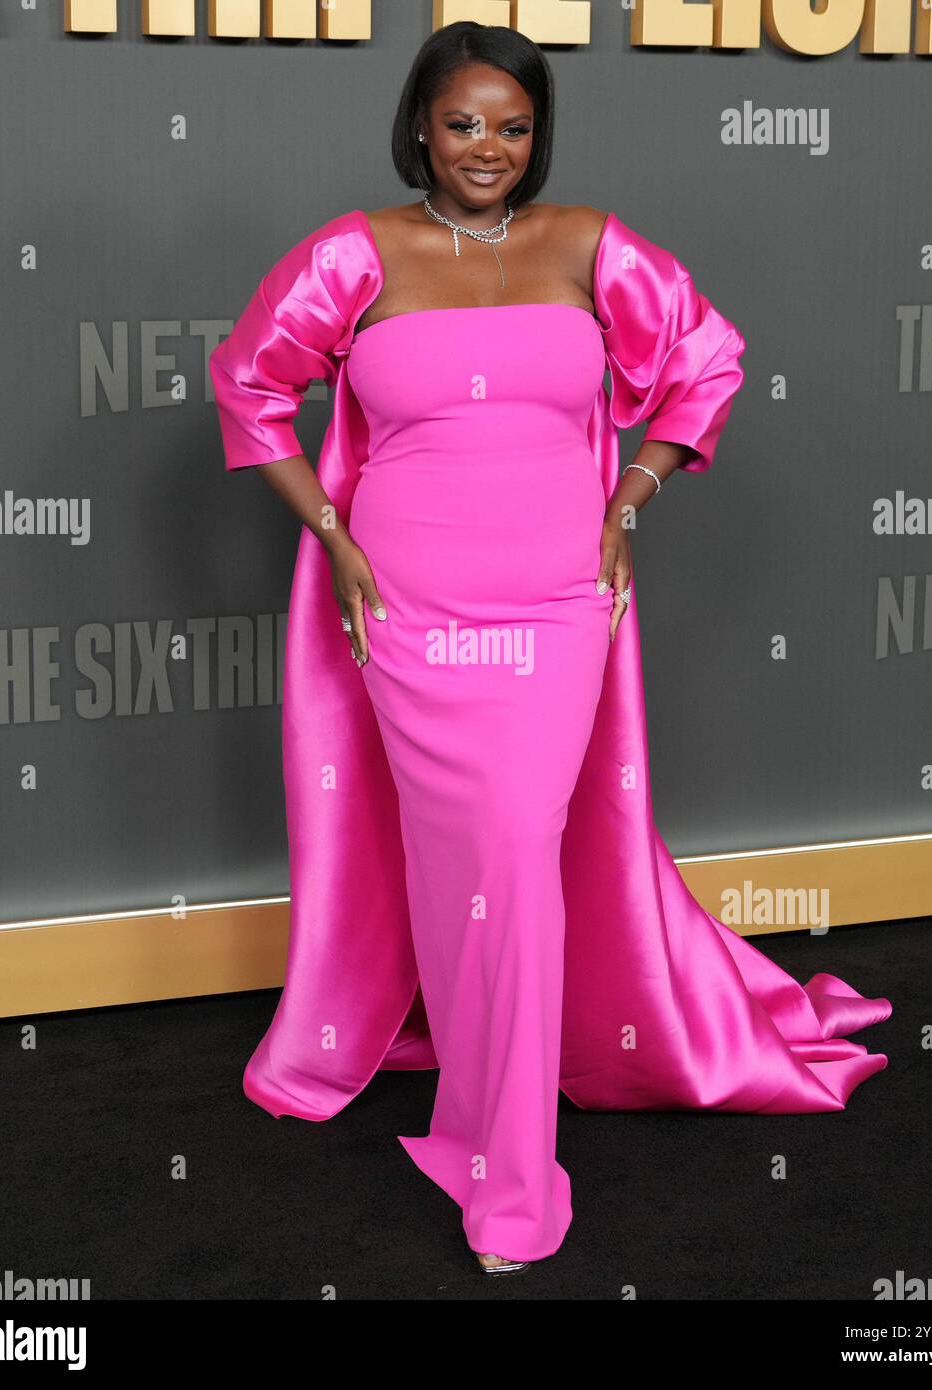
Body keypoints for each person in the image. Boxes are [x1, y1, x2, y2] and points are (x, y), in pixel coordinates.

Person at [209, 21, 892, 1277]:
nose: (487, 150)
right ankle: (483, 1137)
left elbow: (703, 361)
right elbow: (249, 382)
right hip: (410, 610)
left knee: (517, 849)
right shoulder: (357, 253)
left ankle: (503, 1165)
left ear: (538, 136)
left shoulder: (586, 243)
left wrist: (629, 494)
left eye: (512, 127)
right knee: (457, 860)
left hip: (559, 602)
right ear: (421, 123)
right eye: (463, 123)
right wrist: (333, 537)